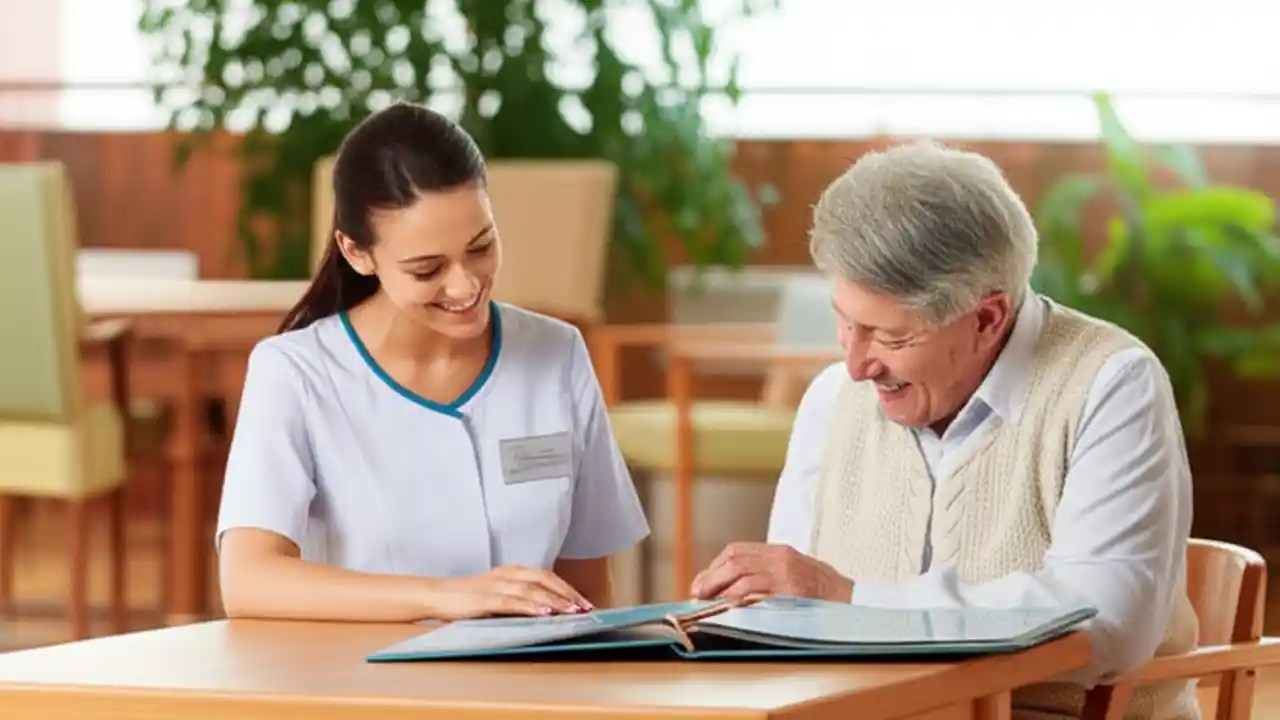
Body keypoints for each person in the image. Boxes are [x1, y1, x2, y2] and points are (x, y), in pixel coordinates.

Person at [689, 142, 1198, 718]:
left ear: (987, 318)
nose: (857, 366)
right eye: (845, 322)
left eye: (891, 338)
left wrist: (853, 601)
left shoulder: (1110, 383)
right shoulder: (833, 398)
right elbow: (790, 611)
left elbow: (1107, 625)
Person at [215, 102, 649, 623]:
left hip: (528, 691)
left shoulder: (558, 354)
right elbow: (248, 580)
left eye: (481, 247)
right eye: (427, 269)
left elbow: (587, 594)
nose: (465, 285)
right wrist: (445, 597)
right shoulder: (294, 372)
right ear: (356, 253)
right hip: (362, 686)